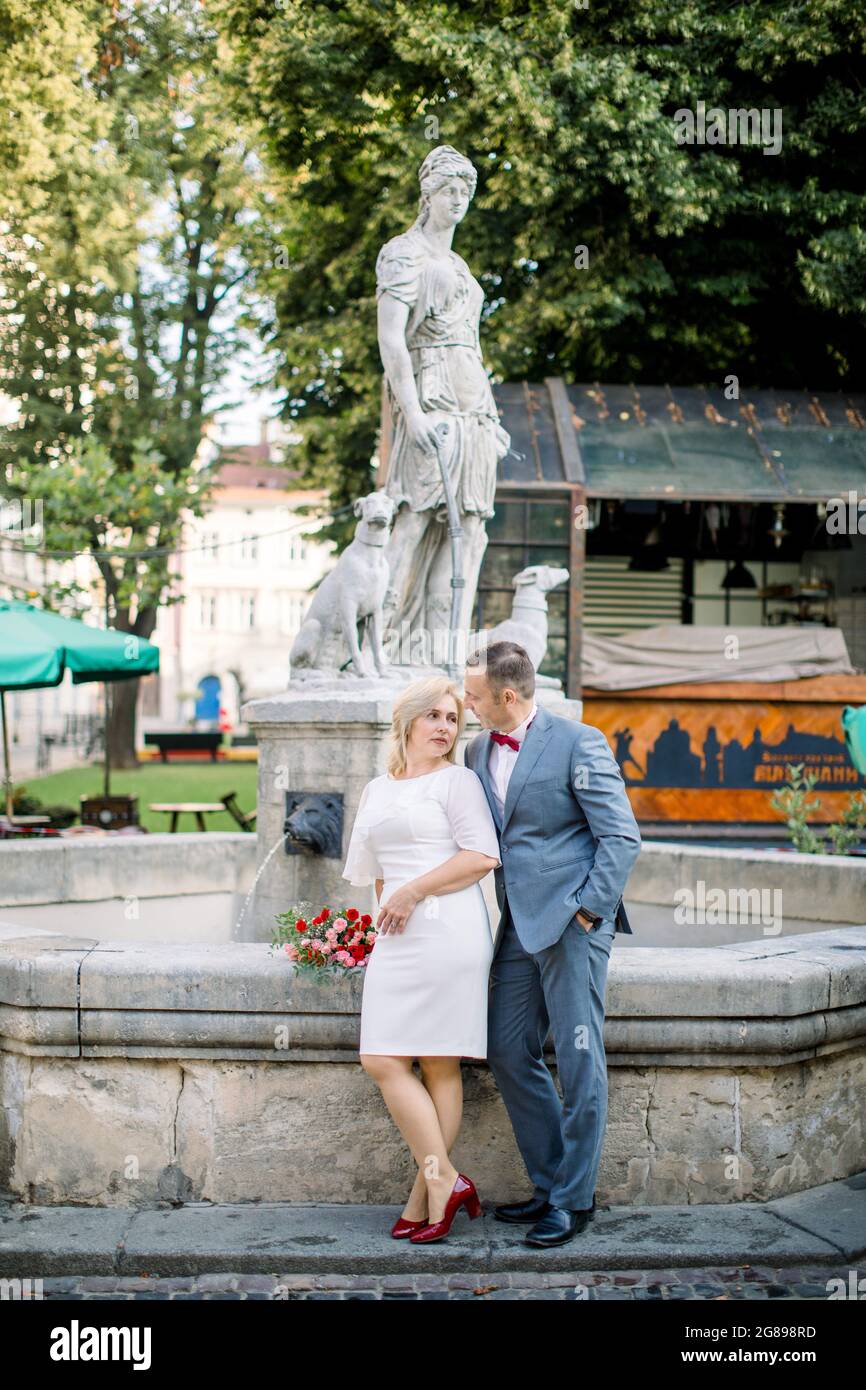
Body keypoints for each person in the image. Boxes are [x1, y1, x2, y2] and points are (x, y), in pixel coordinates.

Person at [462, 641, 642, 1248]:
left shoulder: (578, 741)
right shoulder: (477, 748)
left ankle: (574, 1200)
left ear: (507, 696)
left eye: (475, 696)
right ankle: (548, 1183)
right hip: (515, 922)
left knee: (579, 1055)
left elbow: (620, 835)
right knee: (507, 1049)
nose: (468, 706)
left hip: (573, 924)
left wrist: (591, 911)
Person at [341, 675, 501, 1243]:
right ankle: (446, 1184)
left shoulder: (457, 782)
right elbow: (379, 874)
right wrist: (389, 907)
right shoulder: (377, 789)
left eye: (453, 718)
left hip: (448, 932)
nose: (443, 727)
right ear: (406, 720)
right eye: (433, 715)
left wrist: (413, 893)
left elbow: (483, 856)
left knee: (437, 1063)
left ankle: (426, 1195)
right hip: (398, 937)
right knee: (384, 1059)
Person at [375, 144, 510, 651]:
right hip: (431, 396)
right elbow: (392, 340)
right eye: (448, 190)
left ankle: (442, 647)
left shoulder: (459, 264)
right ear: (427, 193)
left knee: (470, 529)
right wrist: (411, 413)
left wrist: (490, 416)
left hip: (473, 402)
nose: (458, 200)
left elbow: (472, 343)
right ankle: (380, 640)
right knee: (413, 517)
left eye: (465, 192)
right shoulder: (403, 252)